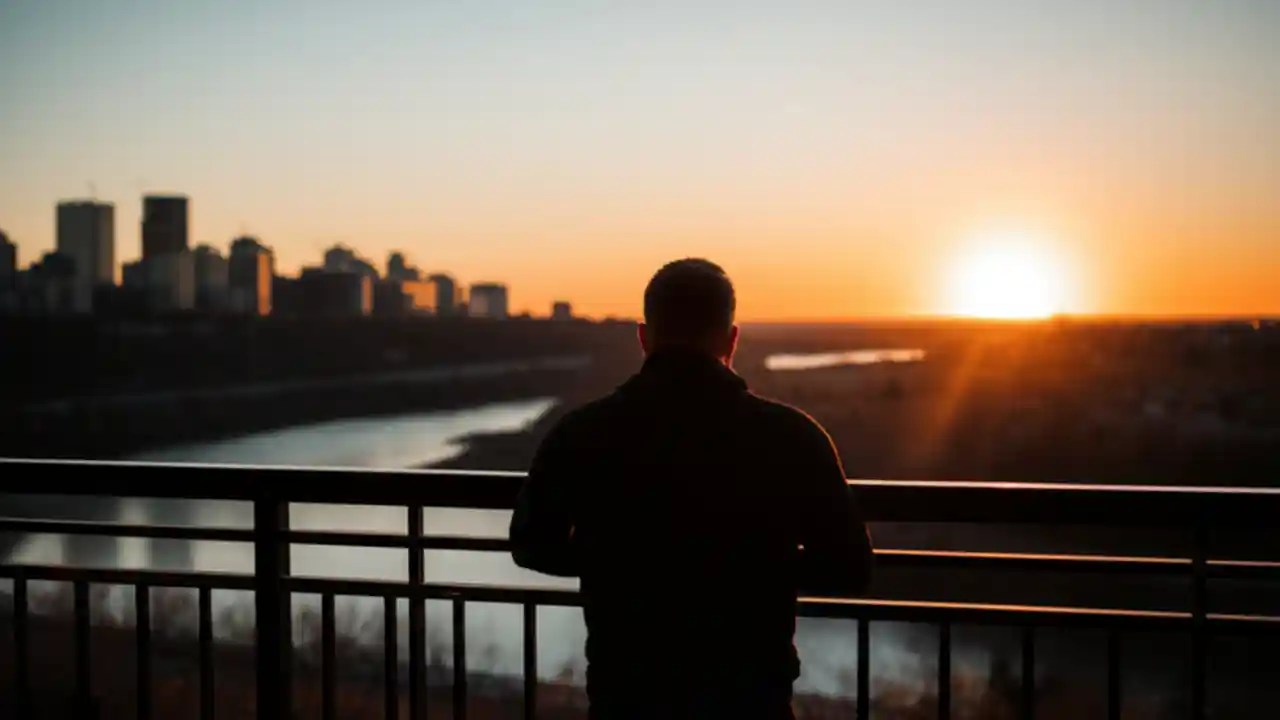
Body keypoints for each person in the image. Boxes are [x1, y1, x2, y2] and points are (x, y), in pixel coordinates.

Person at [510, 258, 873, 719]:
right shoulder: (791, 436)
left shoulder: (582, 433)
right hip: (750, 698)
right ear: (731, 340)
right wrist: (758, 563)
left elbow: (529, 543)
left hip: (626, 695)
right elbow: (850, 566)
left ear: (644, 338)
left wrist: (616, 555)